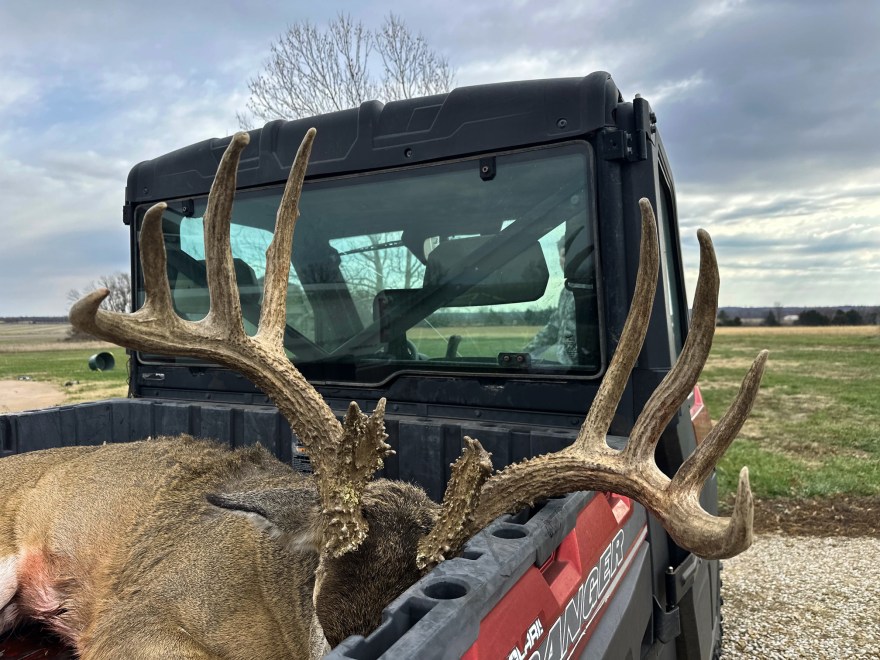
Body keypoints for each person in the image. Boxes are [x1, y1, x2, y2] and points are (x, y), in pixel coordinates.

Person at [523, 237, 578, 364]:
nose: (567, 260)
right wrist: (525, 353)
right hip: (569, 368)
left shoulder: (594, 289)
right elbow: (554, 327)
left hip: (589, 370)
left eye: (572, 254)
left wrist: (578, 360)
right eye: (564, 255)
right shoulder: (567, 291)